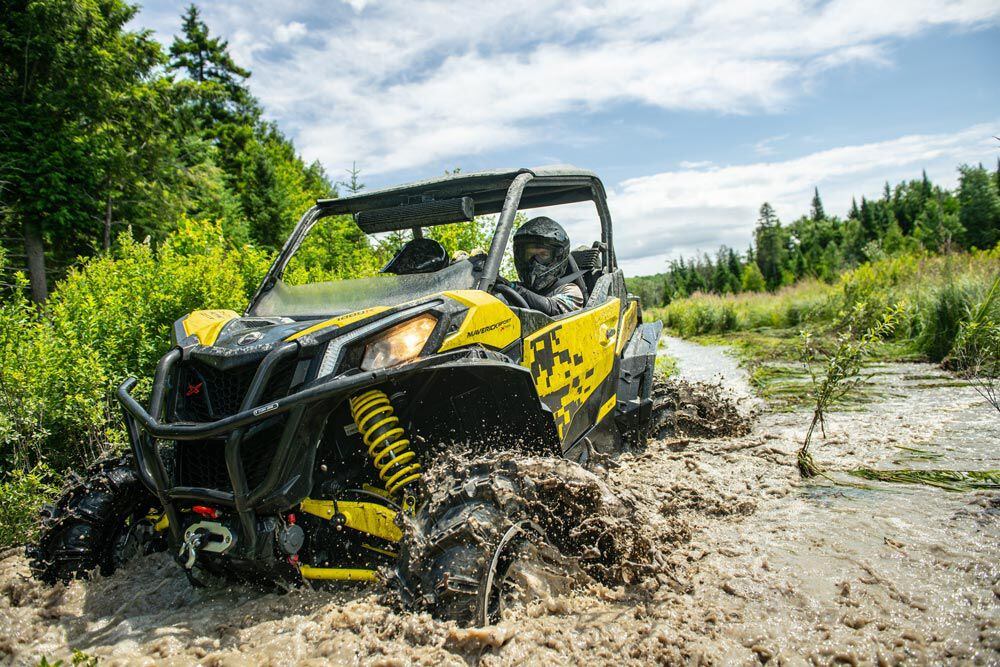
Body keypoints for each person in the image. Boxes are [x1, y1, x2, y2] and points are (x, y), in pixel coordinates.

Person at [510, 216, 584, 316]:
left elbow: (554, 309)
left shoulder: (570, 290)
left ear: (558, 257)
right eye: (529, 255)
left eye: (543, 255)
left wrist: (515, 290)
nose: (534, 262)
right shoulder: (512, 289)